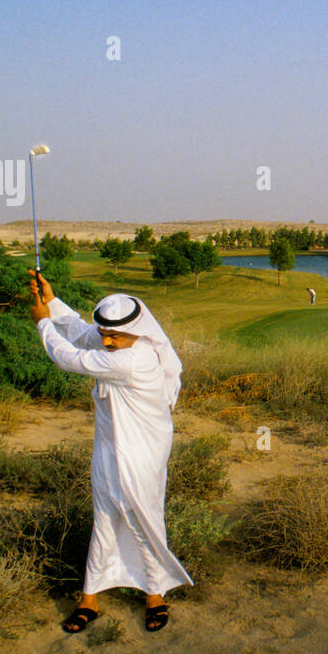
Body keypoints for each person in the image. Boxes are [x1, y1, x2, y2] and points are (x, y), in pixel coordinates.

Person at [27, 270, 193, 634]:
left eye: (116, 335)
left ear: (139, 330)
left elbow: (69, 357)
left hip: (142, 452)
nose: (108, 340)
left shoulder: (134, 359)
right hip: (108, 447)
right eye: (106, 334)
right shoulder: (111, 342)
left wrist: (42, 324)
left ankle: (155, 595)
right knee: (104, 519)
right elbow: (79, 331)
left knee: (143, 517)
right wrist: (52, 302)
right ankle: (90, 598)